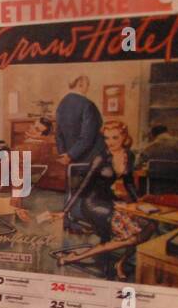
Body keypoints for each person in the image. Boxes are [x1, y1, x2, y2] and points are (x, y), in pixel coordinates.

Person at [54, 120, 155, 280]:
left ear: (124, 137)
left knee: (149, 225)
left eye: (114, 138)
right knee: (134, 235)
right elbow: (83, 186)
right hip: (93, 204)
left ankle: (120, 262)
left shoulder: (129, 155)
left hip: (111, 200)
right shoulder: (101, 158)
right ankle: (73, 257)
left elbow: (129, 183)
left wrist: (139, 205)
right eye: (107, 138)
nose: (110, 142)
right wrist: (65, 210)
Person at [55, 75, 105, 231]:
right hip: (88, 156)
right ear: (81, 84)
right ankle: (79, 223)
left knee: (72, 188)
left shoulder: (61, 105)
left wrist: (65, 154)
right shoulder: (87, 105)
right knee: (85, 190)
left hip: (70, 157)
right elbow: (88, 136)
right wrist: (72, 154)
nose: (88, 87)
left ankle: (69, 222)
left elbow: (58, 134)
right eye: (87, 84)